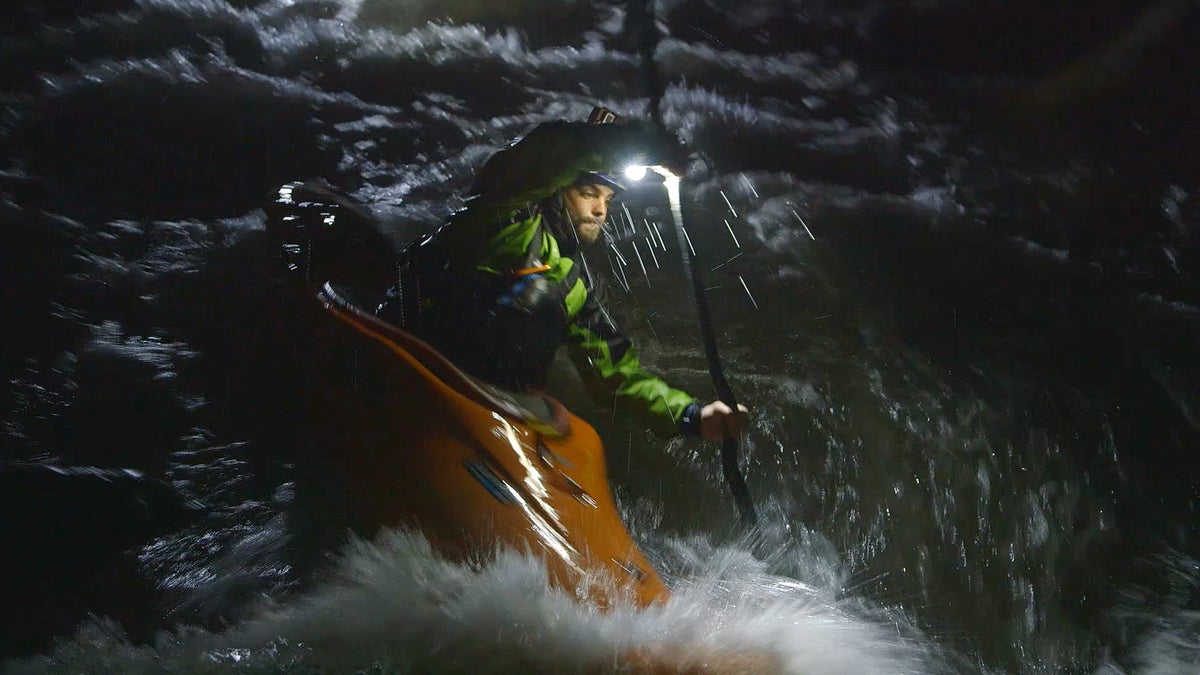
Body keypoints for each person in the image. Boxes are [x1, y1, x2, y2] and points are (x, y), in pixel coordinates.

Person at [376, 109, 748, 441]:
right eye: (589, 193)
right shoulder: (503, 215)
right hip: (412, 361)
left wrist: (691, 416)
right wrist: (638, 143)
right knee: (533, 294)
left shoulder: (573, 284)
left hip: (485, 407)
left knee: (544, 298)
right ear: (557, 190)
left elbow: (615, 376)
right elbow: (547, 151)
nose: (601, 209)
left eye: (608, 199)